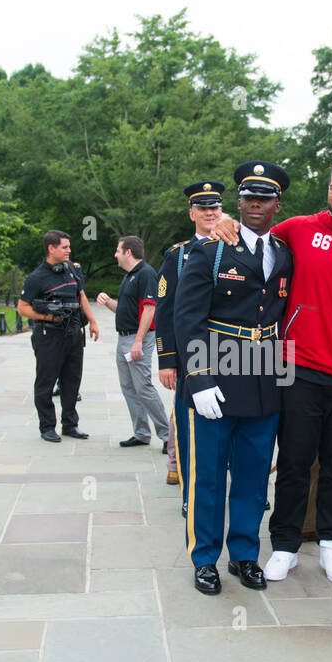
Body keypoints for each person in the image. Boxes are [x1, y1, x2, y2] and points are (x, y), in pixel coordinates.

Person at [215, 159, 332, 584]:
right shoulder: (298, 228)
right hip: (297, 369)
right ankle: (284, 545)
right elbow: (251, 234)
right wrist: (222, 220)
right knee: (294, 463)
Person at [175, 161, 293, 595]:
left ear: (277, 204)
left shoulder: (284, 252)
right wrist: (199, 379)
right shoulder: (211, 251)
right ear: (239, 203)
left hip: (265, 371)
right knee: (208, 474)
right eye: (248, 197)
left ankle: (244, 553)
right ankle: (204, 556)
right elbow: (187, 318)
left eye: (264, 197)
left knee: (253, 472)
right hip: (218, 368)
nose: (255, 203)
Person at [158, 181, 226, 497]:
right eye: (203, 208)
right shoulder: (179, 255)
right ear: (192, 214)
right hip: (193, 356)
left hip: (234, 355)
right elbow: (166, 309)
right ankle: (192, 495)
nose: (209, 212)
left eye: (214, 207)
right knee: (191, 431)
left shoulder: (237, 247)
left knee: (235, 428)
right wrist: (167, 360)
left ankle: (239, 484)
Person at [17, 230, 99, 442]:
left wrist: (93, 321)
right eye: (64, 247)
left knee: (72, 381)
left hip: (73, 334)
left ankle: (70, 425)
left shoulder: (71, 269)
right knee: (46, 382)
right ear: (51, 248)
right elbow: (22, 308)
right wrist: (48, 316)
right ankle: (47, 427)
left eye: (69, 247)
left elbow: (81, 296)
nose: (69, 250)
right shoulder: (36, 277)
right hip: (49, 336)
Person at [96, 235, 172, 451]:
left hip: (138, 338)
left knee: (143, 387)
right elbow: (125, 309)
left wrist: (138, 342)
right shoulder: (129, 276)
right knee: (129, 387)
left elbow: (150, 309)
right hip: (124, 337)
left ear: (128, 252)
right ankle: (141, 433)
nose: (115, 255)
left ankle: (168, 436)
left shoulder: (146, 274)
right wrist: (108, 301)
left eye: (118, 250)